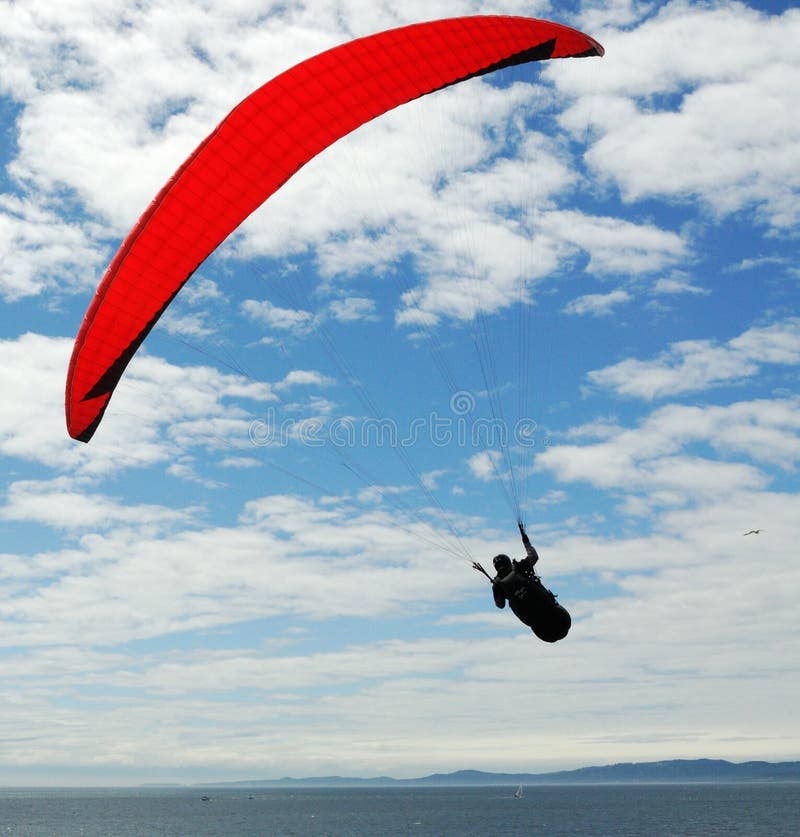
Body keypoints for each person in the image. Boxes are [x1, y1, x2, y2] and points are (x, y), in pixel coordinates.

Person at [485, 522, 571, 642]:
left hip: (539, 626)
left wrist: (498, 588)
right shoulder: (518, 567)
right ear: (508, 563)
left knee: (552, 634)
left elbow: (500, 605)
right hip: (553, 613)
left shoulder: (497, 584)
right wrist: (526, 541)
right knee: (563, 629)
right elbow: (534, 557)